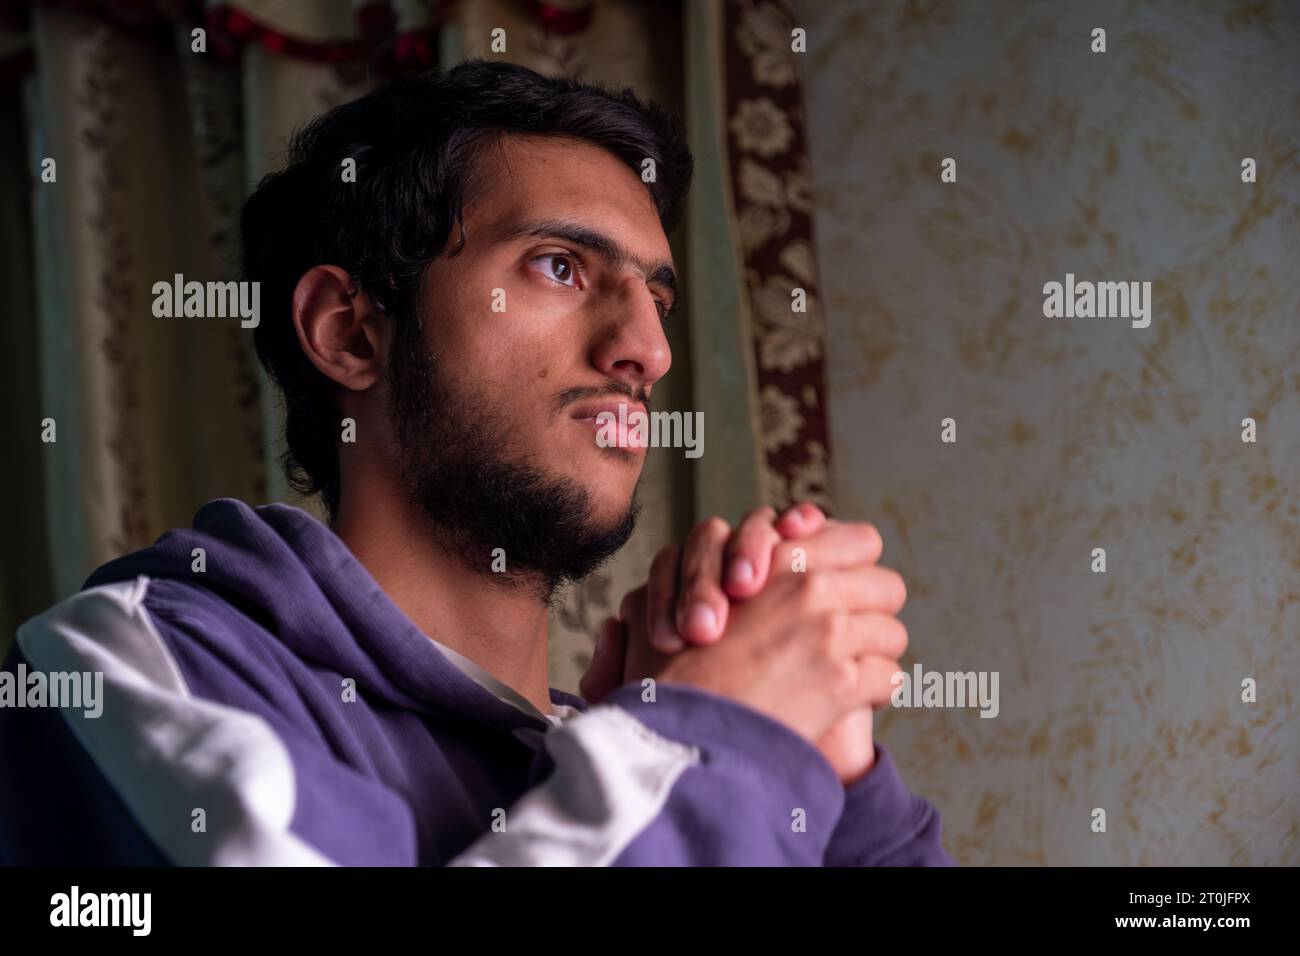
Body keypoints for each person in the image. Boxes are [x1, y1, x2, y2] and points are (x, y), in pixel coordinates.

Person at [0, 60, 950, 866]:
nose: (647, 352)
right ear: (351, 333)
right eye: (560, 267)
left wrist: (836, 779)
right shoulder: (116, 670)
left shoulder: (636, 758)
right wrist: (701, 756)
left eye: (656, 299)